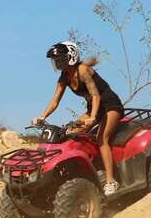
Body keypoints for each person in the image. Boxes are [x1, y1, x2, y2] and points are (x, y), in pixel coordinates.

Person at [33, 41, 125, 196]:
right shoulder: (64, 77)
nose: (58, 63)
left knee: (102, 138)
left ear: (71, 56)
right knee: (69, 132)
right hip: (94, 109)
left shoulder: (83, 70)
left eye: (61, 59)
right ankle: (88, 168)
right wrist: (42, 116)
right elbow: (55, 101)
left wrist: (93, 117)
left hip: (110, 106)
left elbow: (95, 96)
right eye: (56, 60)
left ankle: (111, 181)